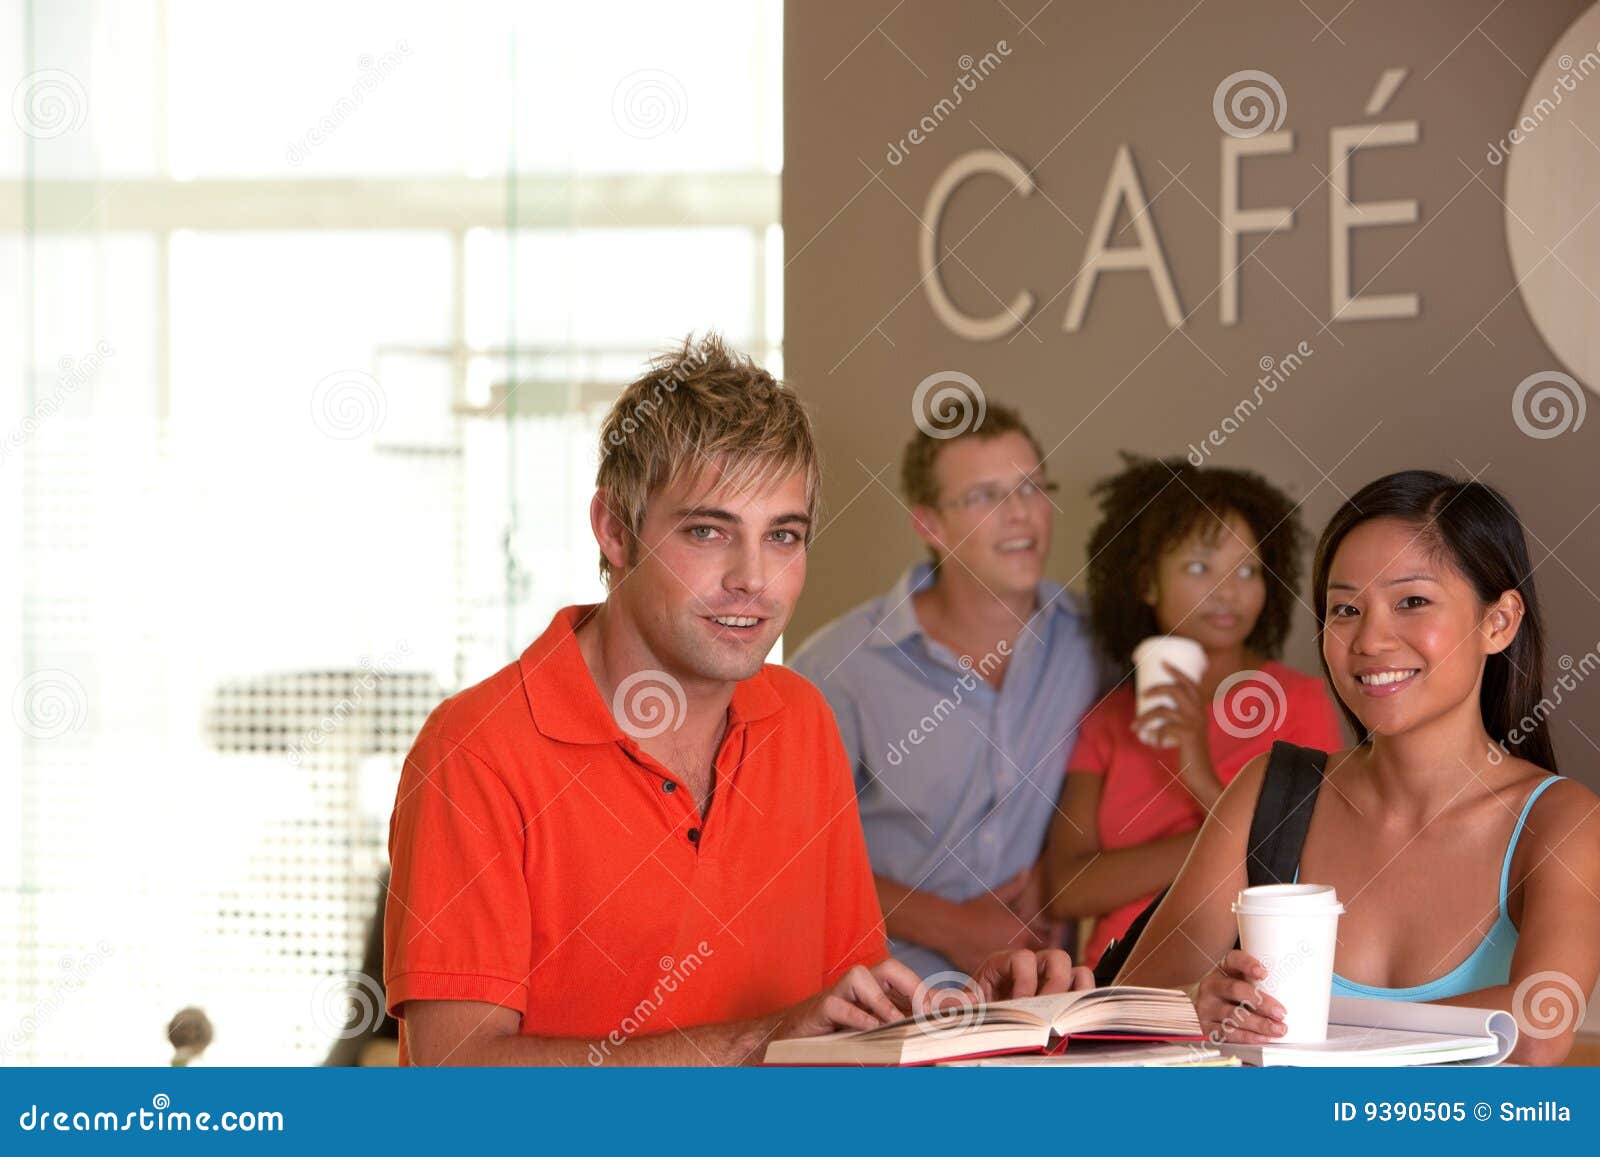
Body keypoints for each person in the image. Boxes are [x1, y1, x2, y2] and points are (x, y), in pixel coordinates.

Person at [383, 335, 1088, 1066]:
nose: (753, 577)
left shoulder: (802, 719)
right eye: (708, 531)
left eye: (782, 535)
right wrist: (760, 1040)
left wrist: (978, 1014)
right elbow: (452, 1075)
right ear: (615, 532)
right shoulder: (476, 750)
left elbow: (844, 1022)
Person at [1116, 469, 1600, 1065]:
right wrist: (1199, 1003)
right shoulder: (1270, 794)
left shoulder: (1560, 822)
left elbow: (1537, 1028)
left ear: (1497, 622)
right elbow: (1131, 1011)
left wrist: (1304, 1029)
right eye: (1345, 608)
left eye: (1412, 602)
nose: (1369, 639)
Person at [790, 393, 1097, 980]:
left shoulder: (1091, 643)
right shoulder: (839, 667)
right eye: (986, 496)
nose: (1020, 514)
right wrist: (951, 928)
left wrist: (1060, 876)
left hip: (1037, 1002)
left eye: (1032, 487)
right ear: (928, 524)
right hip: (879, 1008)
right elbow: (787, 862)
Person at [1043, 456, 1344, 966]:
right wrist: (1223, 848)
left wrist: (1197, 768)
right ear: (1147, 583)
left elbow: (1313, 865)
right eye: (1200, 567)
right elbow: (1067, 888)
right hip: (1111, 983)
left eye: (1248, 569)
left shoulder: (1300, 703)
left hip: (1240, 981)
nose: (1228, 592)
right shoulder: (1109, 719)